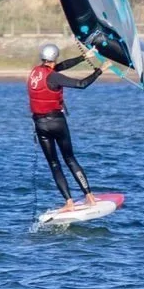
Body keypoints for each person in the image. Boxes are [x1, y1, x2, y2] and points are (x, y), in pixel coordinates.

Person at [27, 41, 102, 209]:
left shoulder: (35, 72)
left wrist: (84, 57)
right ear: (55, 57)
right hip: (57, 123)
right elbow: (81, 84)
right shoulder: (54, 76)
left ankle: (69, 202)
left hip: (40, 125)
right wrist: (98, 72)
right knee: (70, 159)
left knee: (54, 164)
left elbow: (59, 67)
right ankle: (89, 196)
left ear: (43, 58)